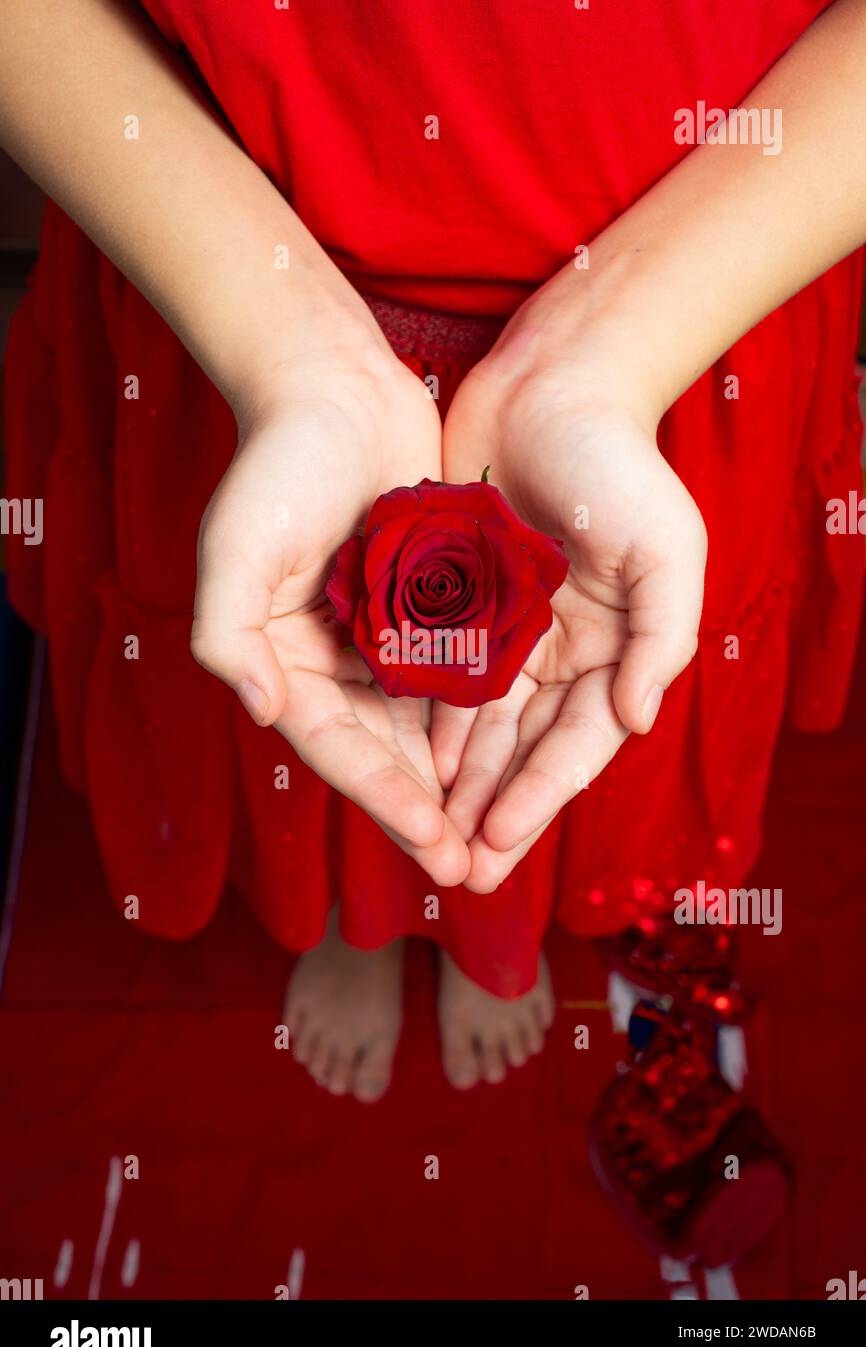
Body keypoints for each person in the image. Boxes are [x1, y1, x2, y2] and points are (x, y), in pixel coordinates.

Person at [1, 0, 863, 1103]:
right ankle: (349, 923)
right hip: (216, 263)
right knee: (299, 698)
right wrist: (281, 341)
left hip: (701, 278)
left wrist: (618, 347)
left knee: (548, 726)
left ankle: (478, 936)